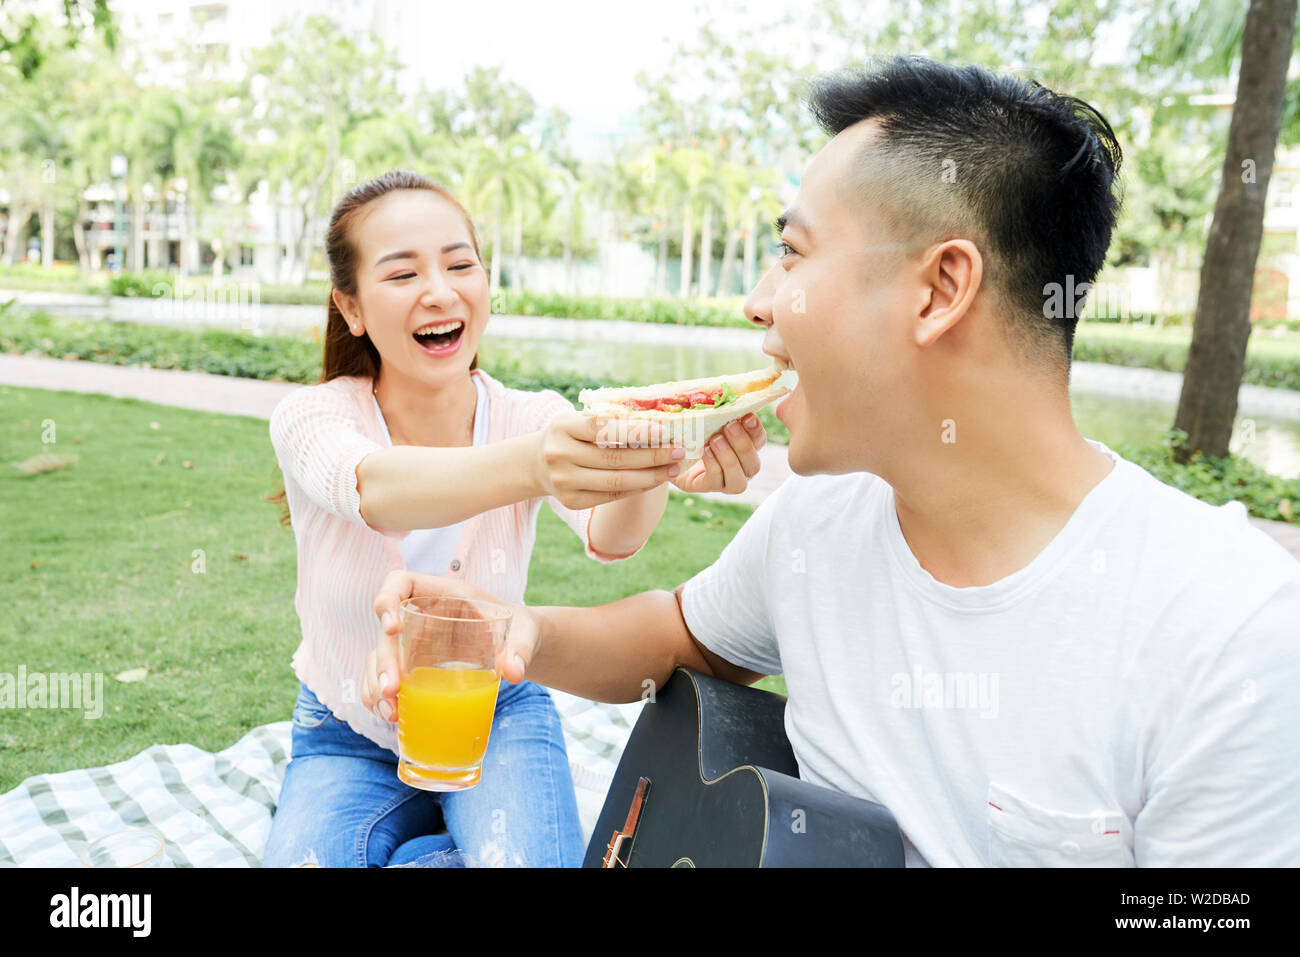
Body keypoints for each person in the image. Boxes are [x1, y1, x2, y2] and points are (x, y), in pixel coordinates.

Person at [364, 58, 1300, 867]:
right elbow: (680, 639)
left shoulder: (1230, 633)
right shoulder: (822, 521)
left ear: (940, 289)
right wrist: (510, 630)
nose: (758, 302)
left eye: (792, 253)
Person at [261, 170, 767, 868]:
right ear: (351, 308)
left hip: (497, 710)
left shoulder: (531, 415)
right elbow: (375, 489)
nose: (440, 289)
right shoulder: (313, 418)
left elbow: (613, 536)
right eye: (403, 273)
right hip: (345, 730)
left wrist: (661, 454)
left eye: (460, 263)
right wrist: (531, 464)